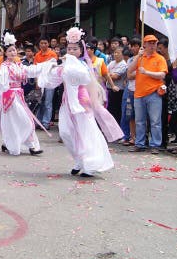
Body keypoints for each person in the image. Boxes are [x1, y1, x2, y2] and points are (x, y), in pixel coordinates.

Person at [43, 27, 120, 177]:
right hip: (67, 103)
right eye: (69, 48)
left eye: (74, 49)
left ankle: (90, 165)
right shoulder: (65, 63)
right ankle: (78, 160)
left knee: (86, 133)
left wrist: (68, 65)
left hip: (81, 102)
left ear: (81, 50)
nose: (71, 51)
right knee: (65, 132)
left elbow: (84, 78)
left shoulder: (83, 65)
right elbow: (54, 79)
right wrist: (51, 68)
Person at [0, 33, 54, 155]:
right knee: (21, 121)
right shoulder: (4, 67)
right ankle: (15, 144)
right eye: (9, 51)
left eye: (14, 50)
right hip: (9, 98)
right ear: (5, 53)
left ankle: (30, 146)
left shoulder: (19, 65)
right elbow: (1, 82)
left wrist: (48, 64)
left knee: (21, 121)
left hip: (19, 97)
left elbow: (32, 70)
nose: (12, 53)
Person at [127, 34, 168, 153]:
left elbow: (162, 75)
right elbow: (129, 71)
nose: (152, 45)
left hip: (154, 93)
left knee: (155, 121)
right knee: (139, 121)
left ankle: (155, 145)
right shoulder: (140, 57)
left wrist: (146, 72)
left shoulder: (160, 58)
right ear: (144, 44)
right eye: (149, 43)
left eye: (154, 43)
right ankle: (139, 143)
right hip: (139, 93)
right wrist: (137, 57)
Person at [34, 38, 57, 128]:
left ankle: (46, 122)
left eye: (45, 43)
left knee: (48, 102)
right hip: (40, 81)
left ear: (48, 44)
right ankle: (39, 121)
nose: (43, 45)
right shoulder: (37, 55)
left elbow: (54, 68)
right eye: (41, 43)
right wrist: (37, 82)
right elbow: (35, 70)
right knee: (40, 102)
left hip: (50, 81)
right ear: (39, 45)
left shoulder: (52, 54)